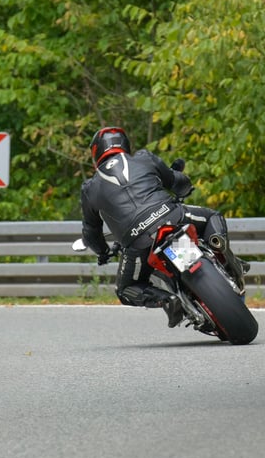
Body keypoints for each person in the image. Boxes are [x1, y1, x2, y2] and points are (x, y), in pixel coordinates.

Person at [80, 126, 247, 327]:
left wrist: (103, 252)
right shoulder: (144, 158)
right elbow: (177, 181)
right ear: (125, 144)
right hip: (172, 216)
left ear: (96, 152)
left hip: (138, 241)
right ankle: (221, 250)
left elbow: (91, 232)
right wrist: (183, 185)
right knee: (212, 216)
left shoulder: (89, 188)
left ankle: (167, 300)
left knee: (127, 289)